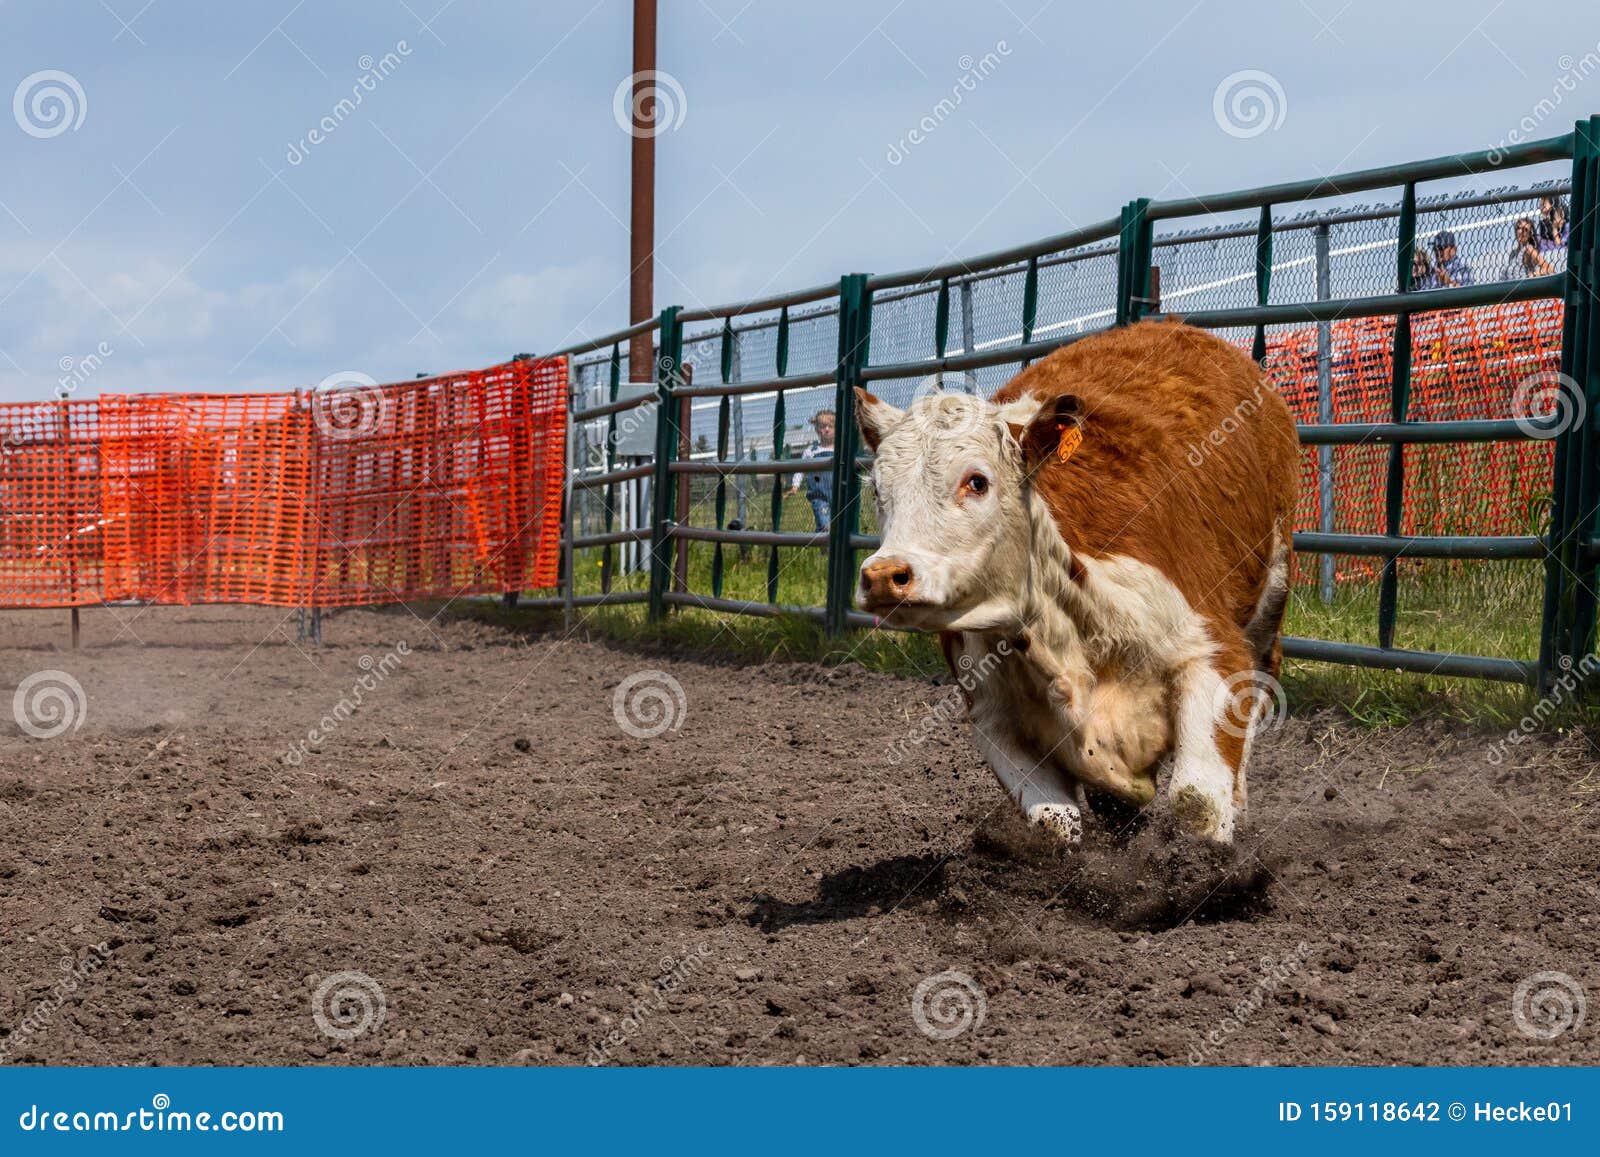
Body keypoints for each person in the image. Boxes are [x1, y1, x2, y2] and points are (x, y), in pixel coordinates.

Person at [789, 409, 835, 531]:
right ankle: (825, 545)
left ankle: (826, 546)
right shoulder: (811, 451)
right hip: (820, 497)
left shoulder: (840, 450)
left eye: (830, 426)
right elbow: (800, 469)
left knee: (838, 527)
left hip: (839, 495)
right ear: (817, 429)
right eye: (822, 426)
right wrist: (795, 485)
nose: (826, 429)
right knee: (825, 525)